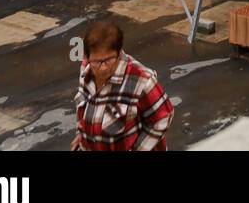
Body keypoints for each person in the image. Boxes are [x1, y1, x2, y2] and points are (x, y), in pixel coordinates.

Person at [72, 18, 174, 150]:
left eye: (108, 60)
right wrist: (81, 135)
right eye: (97, 62)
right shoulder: (86, 69)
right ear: (87, 56)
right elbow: (84, 106)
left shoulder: (142, 80)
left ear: (119, 53)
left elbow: (163, 117)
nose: (102, 67)